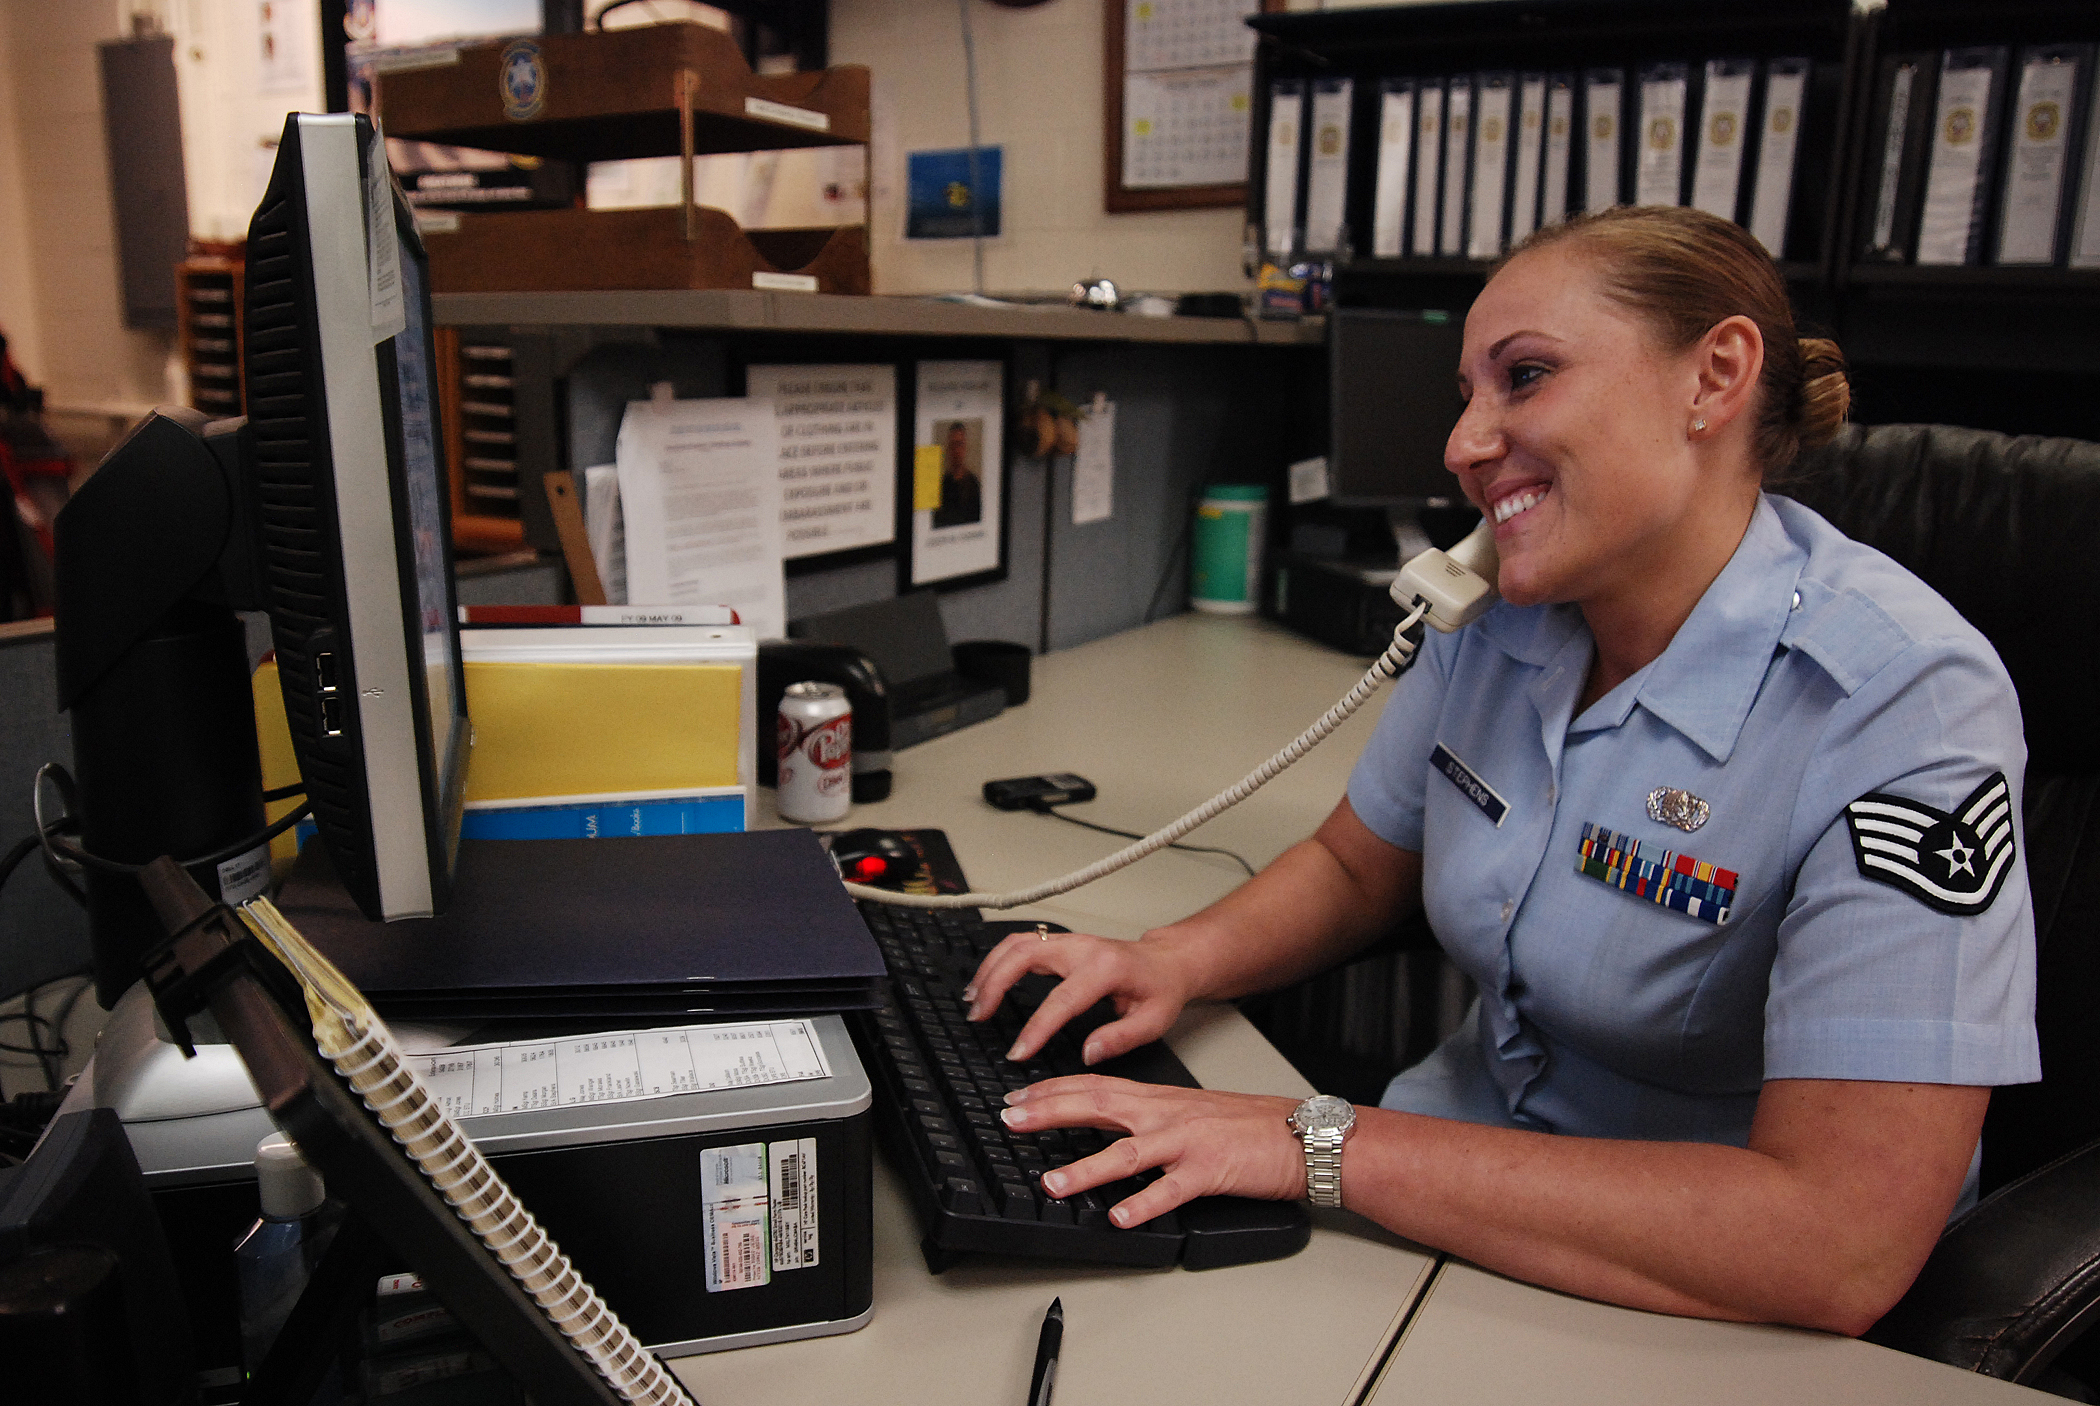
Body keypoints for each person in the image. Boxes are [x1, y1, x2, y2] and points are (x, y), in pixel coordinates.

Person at [962, 205, 2039, 1336]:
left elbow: (1837, 1241)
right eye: (1467, 393)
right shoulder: (1507, 613)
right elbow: (1356, 864)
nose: (1464, 443)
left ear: (1714, 376)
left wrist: (1313, 1142)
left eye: (1525, 377)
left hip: (1695, 1297)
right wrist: (1169, 958)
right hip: (1435, 1193)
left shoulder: (1899, 701)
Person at [931, 420, 983, 528]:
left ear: (965, 448)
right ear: (948, 449)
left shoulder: (973, 484)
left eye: (959, 444)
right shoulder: (940, 485)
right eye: (953, 445)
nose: (956, 450)